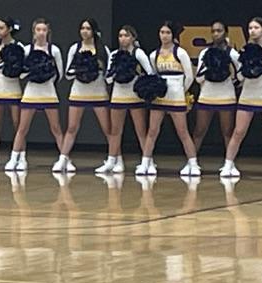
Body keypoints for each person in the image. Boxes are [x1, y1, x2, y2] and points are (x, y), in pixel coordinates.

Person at [219, 18, 262, 181]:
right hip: (247, 95)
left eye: (256, 27)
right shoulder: (244, 50)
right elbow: (239, 75)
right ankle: (228, 164)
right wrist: (249, 71)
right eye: (250, 27)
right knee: (238, 131)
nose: (252, 30)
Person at [141, 22, 202, 179]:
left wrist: (182, 91)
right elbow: (153, 75)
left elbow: (189, 76)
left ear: (173, 35)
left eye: (167, 32)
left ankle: (193, 163)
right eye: (162, 32)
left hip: (176, 96)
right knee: (152, 130)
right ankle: (146, 161)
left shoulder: (180, 53)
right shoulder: (154, 55)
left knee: (182, 131)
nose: (164, 35)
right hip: (160, 97)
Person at [9, 18, 66, 173]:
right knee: (22, 127)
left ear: (48, 32)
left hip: (48, 92)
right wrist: (32, 73)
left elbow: (60, 73)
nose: (41, 33)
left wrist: (46, 78)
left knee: (56, 127)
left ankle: (64, 159)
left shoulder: (54, 50)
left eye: (44, 30)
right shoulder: (27, 50)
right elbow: (20, 73)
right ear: (33, 32)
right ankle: (15, 158)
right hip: (31, 92)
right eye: (38, 30)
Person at [103, 26, 153, 177]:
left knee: (141, 131)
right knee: (115, 131)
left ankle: (148, 161)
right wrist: (116, 72)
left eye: (126, 35)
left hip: (135, 96)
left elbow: (150, 72)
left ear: (132, 38)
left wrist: (135, 73)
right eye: (120, 35)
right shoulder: (114, 54)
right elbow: (108, 78)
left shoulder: (138, 53)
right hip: (118, 96)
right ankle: (113, 160)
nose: (122, 38)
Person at [58, 19, 106, 175]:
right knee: (72, 127)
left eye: (88, 28)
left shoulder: (102, 49)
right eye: (82, 28)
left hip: (98, 92)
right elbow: (67, 73)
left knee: (107, 128)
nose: (85, 31)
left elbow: (108, 73)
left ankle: (115, 158)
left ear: (94, 31)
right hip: (78, 91)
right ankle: (63, 158)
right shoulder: (75, 48)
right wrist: (81, 70)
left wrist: (96, 67)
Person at [191, 20, 240, 163]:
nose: (216, 34)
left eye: (219, 31)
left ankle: (229, 164)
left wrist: (230, 79)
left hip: (226, 97)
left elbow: (242, 74)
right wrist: (209, 69)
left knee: (227, 132)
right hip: (207, 96)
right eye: (213, 31)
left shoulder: (232, 53)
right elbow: (198, 78)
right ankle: (192, 162)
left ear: (226, 33)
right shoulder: (205, 53)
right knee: (199, 130)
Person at [0, 18, 27, 172]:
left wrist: (12, 66)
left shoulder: (19, 46)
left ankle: (21, 158)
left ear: (9, 29)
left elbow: (21, 71)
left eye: (2, 28)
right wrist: (5, 62)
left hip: (14, 89)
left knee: (18, 124)